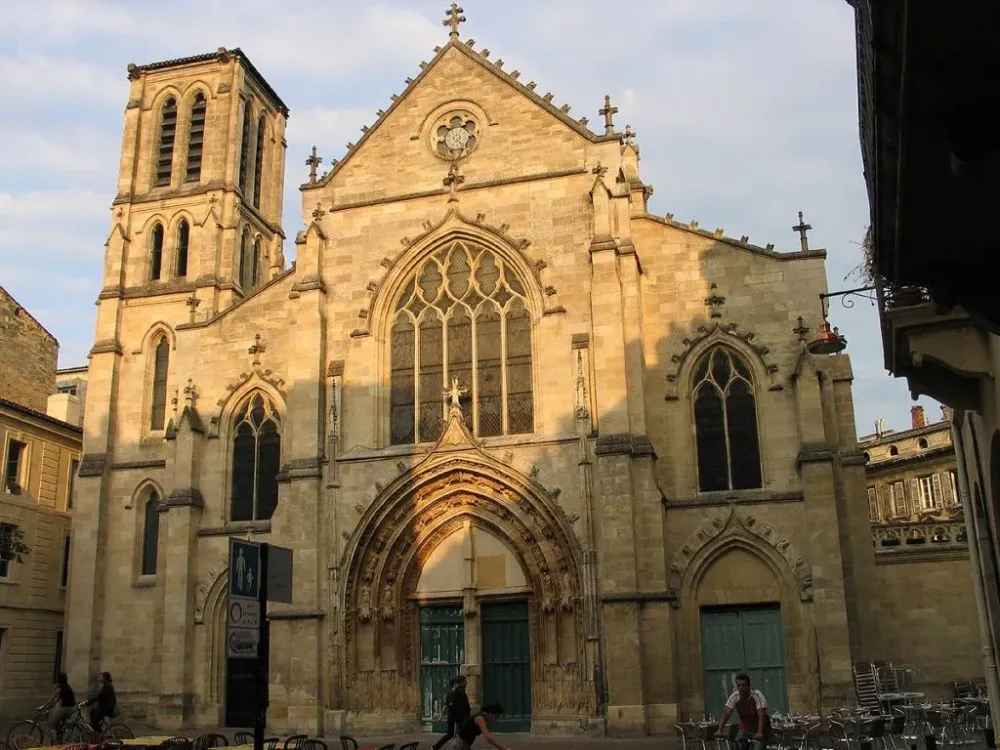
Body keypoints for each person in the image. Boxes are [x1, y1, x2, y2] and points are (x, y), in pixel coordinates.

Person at [717, 673, 769, 750]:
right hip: (745, 730)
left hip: (759, 729)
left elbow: (762, 714)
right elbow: (726, 713)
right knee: (737, 745)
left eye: (743, 685)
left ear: (749, 686)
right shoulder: (735, 696)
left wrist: (759, 732)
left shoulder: (756, 695)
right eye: (739, 685)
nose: (741, 688)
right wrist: (719, 730)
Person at [433, 675, 471, 750]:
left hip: (462, 717)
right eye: (464, 682)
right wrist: (441, 715)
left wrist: (468, 716)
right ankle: (435, 747)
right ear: (458, 683)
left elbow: (467, 706)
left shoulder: (463, 694)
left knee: (464, 732)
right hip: (453, 716)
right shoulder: (452, 694)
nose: (466, 683)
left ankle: (459, 746)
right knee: (450, 734)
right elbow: (446, 705)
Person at [40, 672, 76, 743]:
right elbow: (56, 700)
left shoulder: (60, 688)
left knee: (51, 726)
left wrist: (43, 707)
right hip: (71, 709)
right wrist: (49, 706)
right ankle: (59, 737)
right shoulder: (66, 687)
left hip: (66, 709)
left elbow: (52, 699)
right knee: (56, 722)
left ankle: (56, 744)